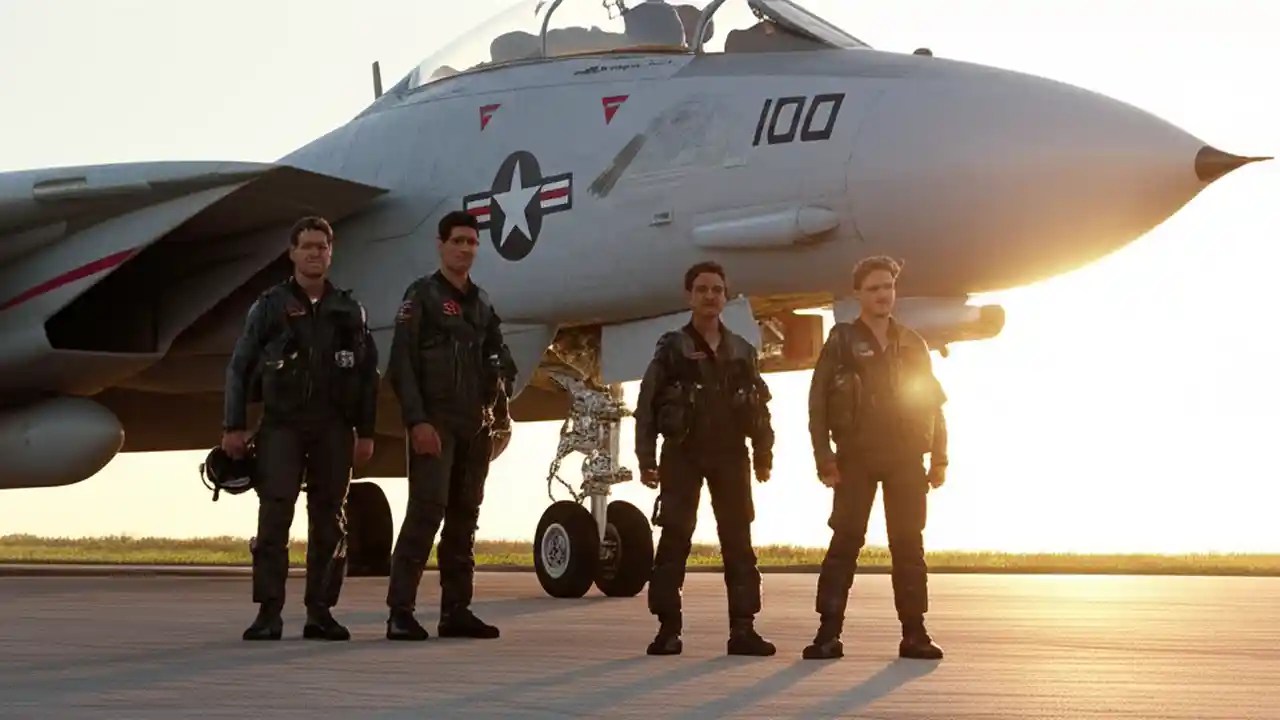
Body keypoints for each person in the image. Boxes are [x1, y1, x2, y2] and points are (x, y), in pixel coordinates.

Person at [222, 215, 380, 642]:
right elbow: (239, 366)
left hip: (333, 426)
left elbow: (368, 376)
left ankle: (320, 613)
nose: (315, 253)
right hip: (281, 426)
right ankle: (268, 613)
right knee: (274, 516)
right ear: (292, 253)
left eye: (322, 247)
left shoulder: (349, 310)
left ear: (331, 253)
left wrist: (365, 433)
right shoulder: (270, 306)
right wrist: (233, 426)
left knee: (329, 520)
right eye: (307, 246)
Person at [802, 255, 948, 661]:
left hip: (905, 457)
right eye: (874, 289)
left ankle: (914, 634)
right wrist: (823, 456)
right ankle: (827, 634)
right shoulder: (842, 341)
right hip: (857, 457)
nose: (883, 295)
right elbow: (818, 403)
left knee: (908, 545)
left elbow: (934, 404)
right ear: (858, 295)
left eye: (888, 287)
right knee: (845, 542)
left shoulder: (912, 343)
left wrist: (940, 458)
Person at [383, 210, 516, 641]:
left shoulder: (482, 303)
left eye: (472, 243)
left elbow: (501, 359)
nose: (465, 249)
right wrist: (417, 421)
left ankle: (456, 610)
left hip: (474, 427)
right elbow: (400, 364)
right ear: (440, 245)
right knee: (425, 513)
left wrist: (499, 407)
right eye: (457, 241)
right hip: (435, 424)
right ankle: (400, 612)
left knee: (465, 519)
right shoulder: (420, 296)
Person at [634, 261, 776, 657]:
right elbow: (647, 403)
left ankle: (743, 629)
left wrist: (764, 452)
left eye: (717, 289)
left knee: (738, 541)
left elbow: (759, 405)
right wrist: (646, 457)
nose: (710, 296)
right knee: (675, 539)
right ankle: (667, 628)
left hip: (731, 455)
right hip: (683, 454)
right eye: (702, 289)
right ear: (690, 296)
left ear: (725, 297)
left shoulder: (741, 350)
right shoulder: (673, 348)